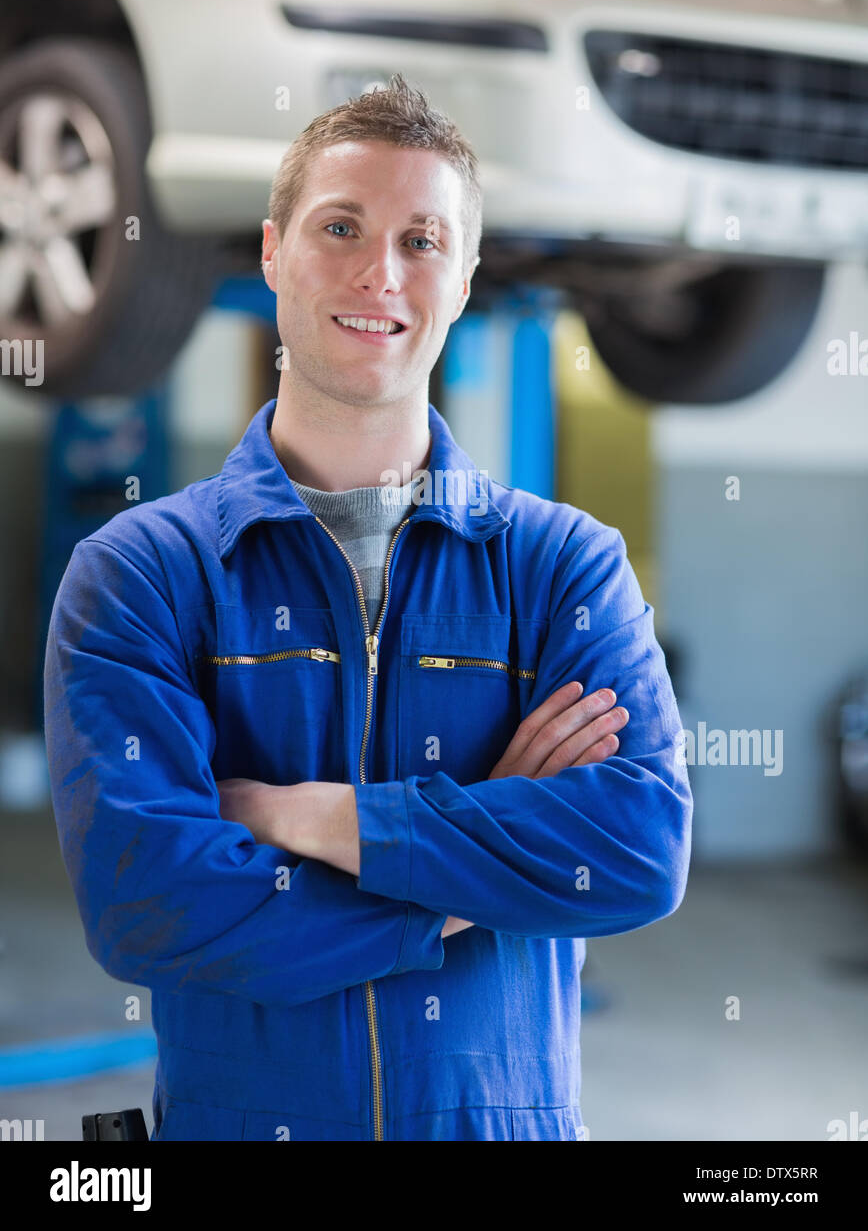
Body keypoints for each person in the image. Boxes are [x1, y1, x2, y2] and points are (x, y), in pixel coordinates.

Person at [43, 73, 692, 1142]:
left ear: (467, 274)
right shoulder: (144, 573)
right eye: (340, 225)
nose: (378, 271)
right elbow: (148, 904)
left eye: (423, 239)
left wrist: (310, 817)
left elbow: (634, 850)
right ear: (271, 251)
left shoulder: (564, 564)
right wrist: (462, 879)